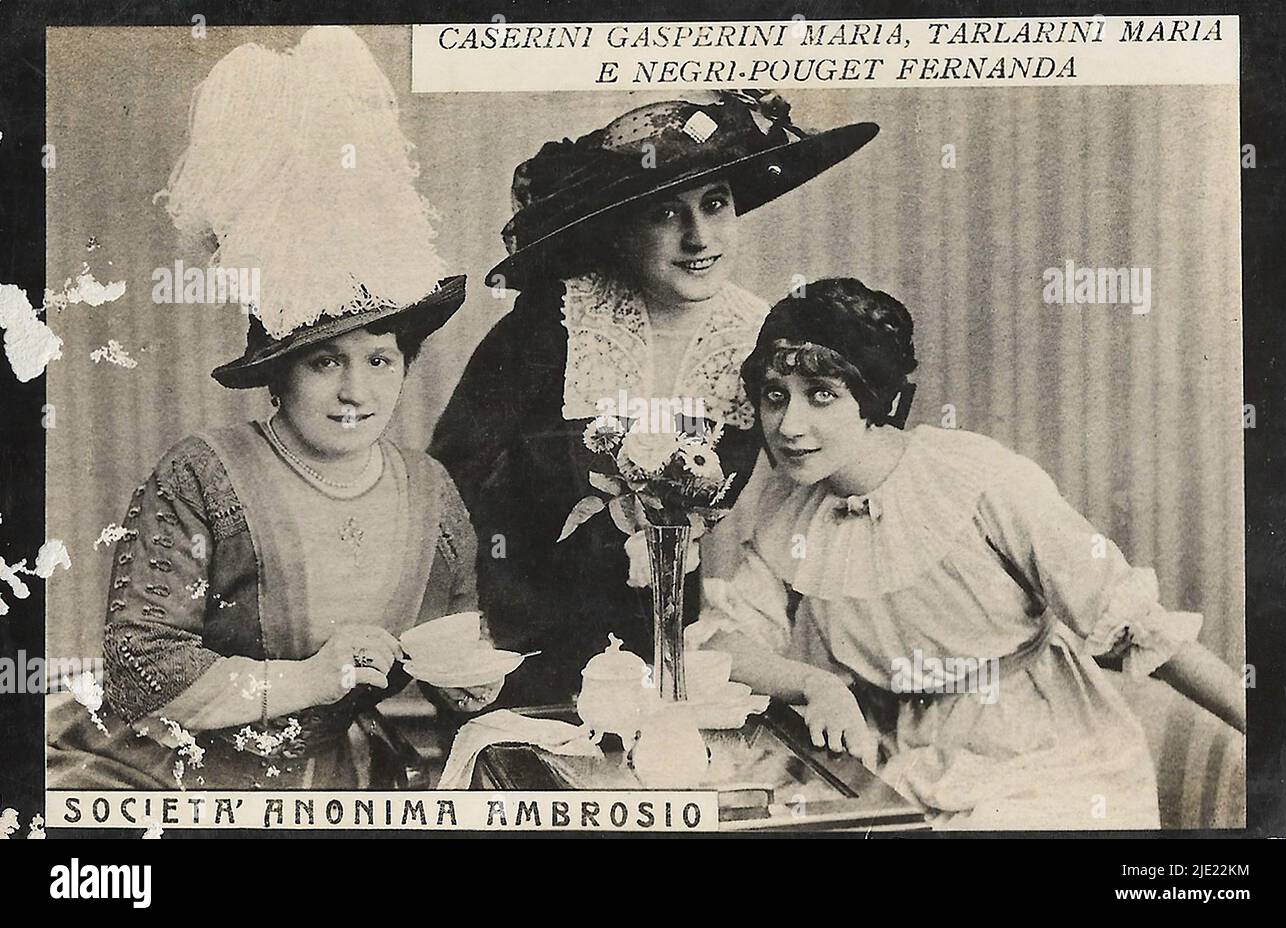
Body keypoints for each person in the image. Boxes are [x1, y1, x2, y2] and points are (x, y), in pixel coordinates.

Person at [48, 27, 500, 789]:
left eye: (380, 359)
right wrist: (312, 679)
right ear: (279, 375)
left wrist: (467, 683)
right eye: (325, 360)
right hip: (175, 778)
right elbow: (140, 670)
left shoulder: (430, 492)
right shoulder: (204, 474)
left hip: (335, 782)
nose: (358, 390)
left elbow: (445, 645)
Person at [693, 278, 1245, 829]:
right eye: (775, 396)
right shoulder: (791, 501)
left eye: (821, 395)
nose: (789, 426)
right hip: (900, 765)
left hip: (1043, 759)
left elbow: (1143, 630)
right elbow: (726, 641)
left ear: (872, 397)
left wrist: (1272, 736)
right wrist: (816, 684)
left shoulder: (975, 478)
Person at [431, 91, 878, 705]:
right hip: (518, 662)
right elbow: (446, 490)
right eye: (667, 214)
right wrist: (455, 648)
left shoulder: (764, 345)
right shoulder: (553, 324)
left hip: (674, 665)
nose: (699, 237)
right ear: (620, 226)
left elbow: (822, 470)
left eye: (715, 204)